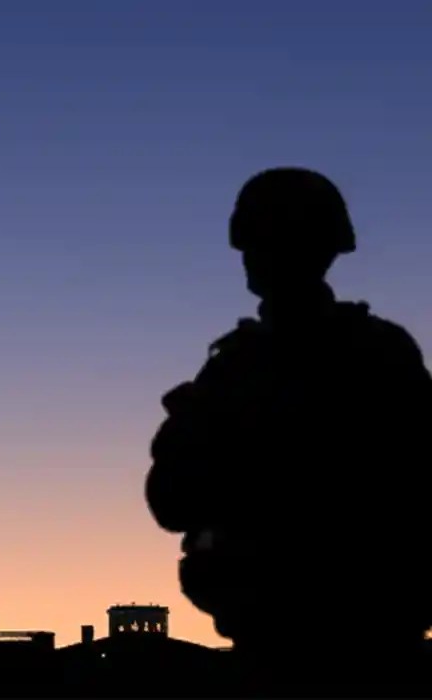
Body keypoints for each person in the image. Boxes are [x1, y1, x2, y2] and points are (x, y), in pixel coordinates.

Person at [146, 167, 432, 696]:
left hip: (307, 635)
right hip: (356, 634)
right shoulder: (384, 352)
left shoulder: (236, 369)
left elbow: (172, 499)